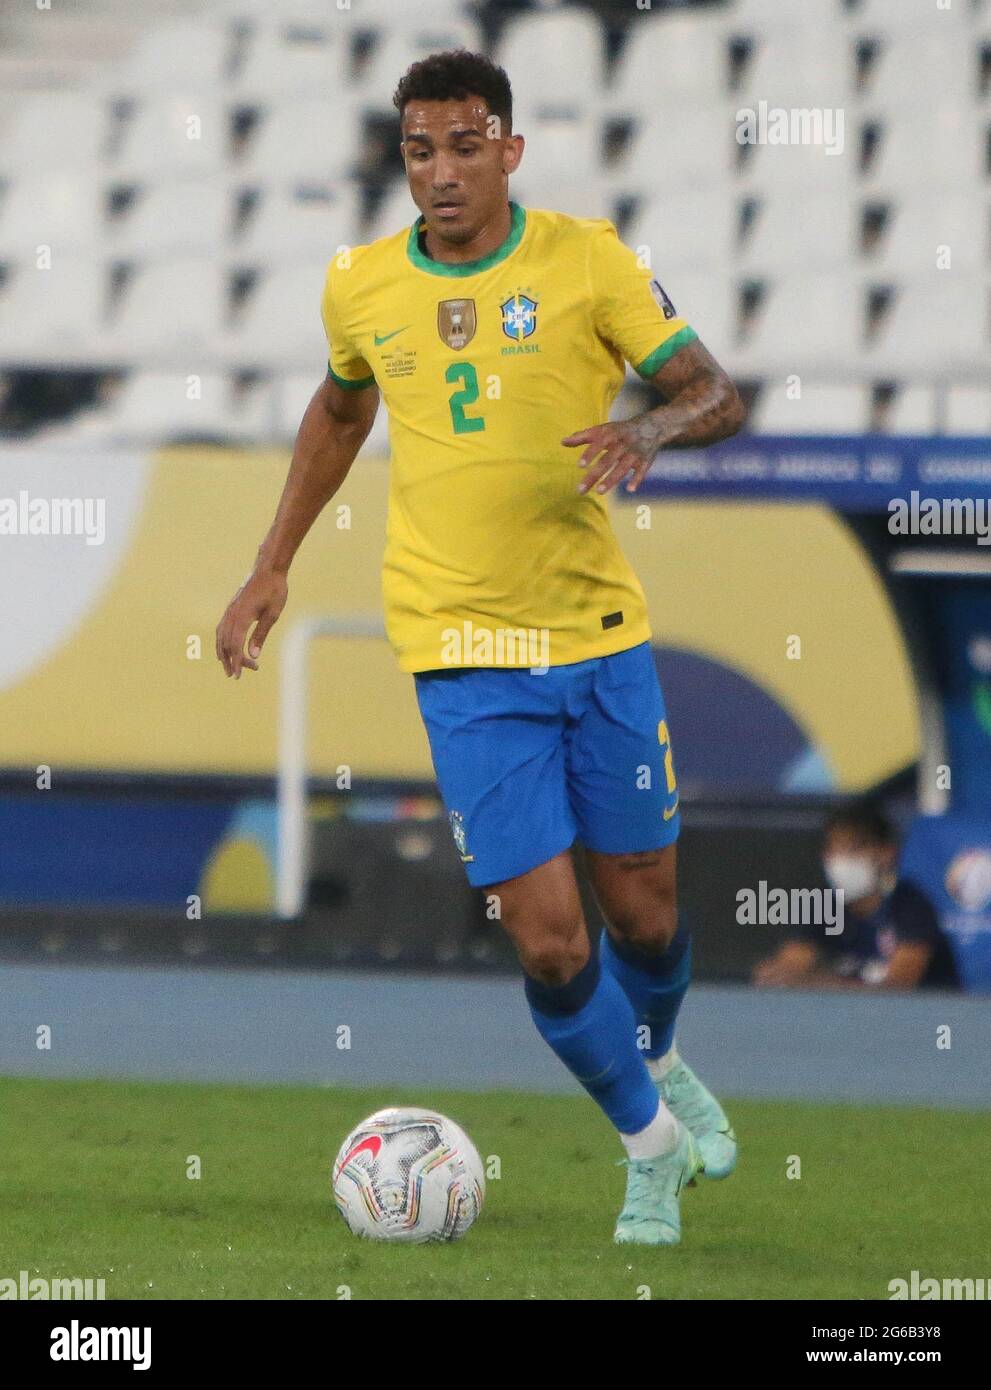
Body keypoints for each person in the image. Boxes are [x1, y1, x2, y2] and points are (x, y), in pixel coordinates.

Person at [216, 50, 745, 1245]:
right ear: (400, 160)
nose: (441, 172)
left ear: (509, 147)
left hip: (598, 637)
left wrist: (649, 426)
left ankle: (655, 1058)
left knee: (646, 917)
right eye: (418, 150)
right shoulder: (358, 283)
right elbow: (341, 409)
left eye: (465, 144)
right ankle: (646, 1149)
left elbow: (715, 389)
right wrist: (271, 561)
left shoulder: (587, 260)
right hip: (460, 650)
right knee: (553, 938)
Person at [753, 802, 959, 992]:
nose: (840, 860)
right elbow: (787, 970)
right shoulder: (822, 904)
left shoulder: (911, 906)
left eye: (852, 848)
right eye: (833, 849)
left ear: (886, 853)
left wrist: (815, 982)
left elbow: (897, 987)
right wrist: (783, 975)